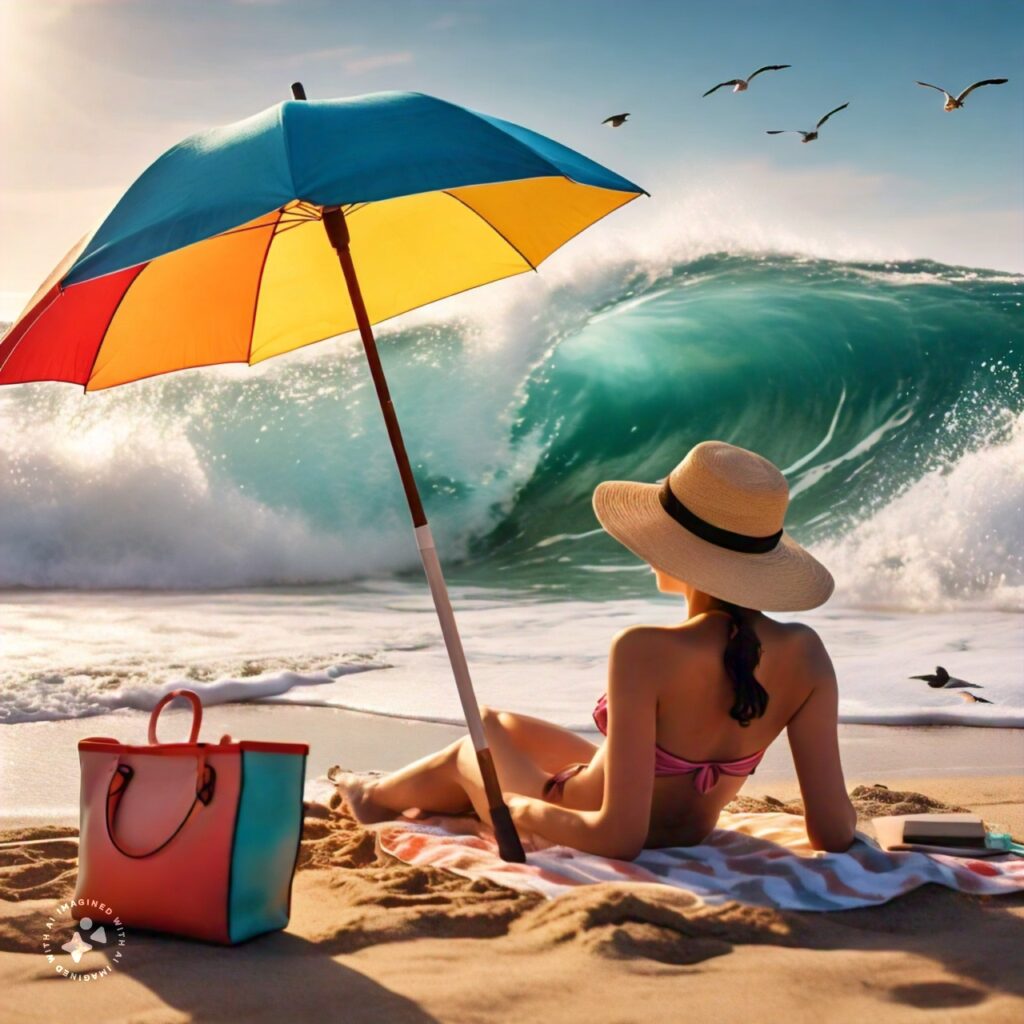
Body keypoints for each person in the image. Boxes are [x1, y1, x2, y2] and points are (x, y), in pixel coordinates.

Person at [334, 441, 857, 859]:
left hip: (576, 814)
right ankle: (383, 789)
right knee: (502, 724)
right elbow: (833, 833)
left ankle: (368, 796)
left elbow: (617, 838)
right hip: (688, 832)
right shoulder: (806, 654)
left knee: (477, 744)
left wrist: (518, 808)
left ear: (680, 548)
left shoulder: (644, 650)